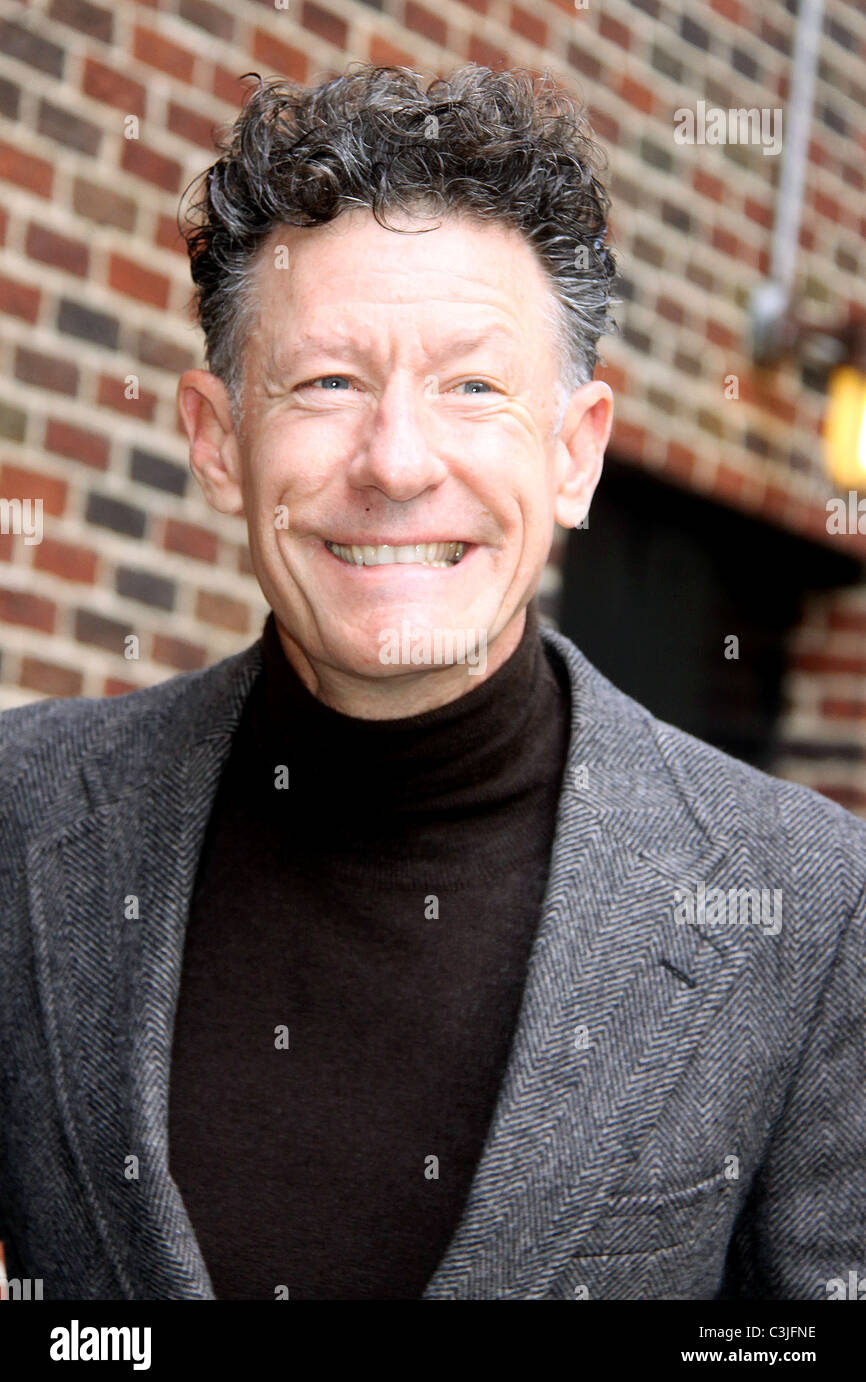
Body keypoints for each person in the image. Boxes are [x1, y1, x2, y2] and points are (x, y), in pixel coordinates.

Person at [1, 64, 864, 1301]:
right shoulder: (21, 815)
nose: (397, 463)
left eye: (471, 386)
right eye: (326, 383)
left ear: (573, 456)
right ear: (214, 438)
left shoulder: (809, 904)